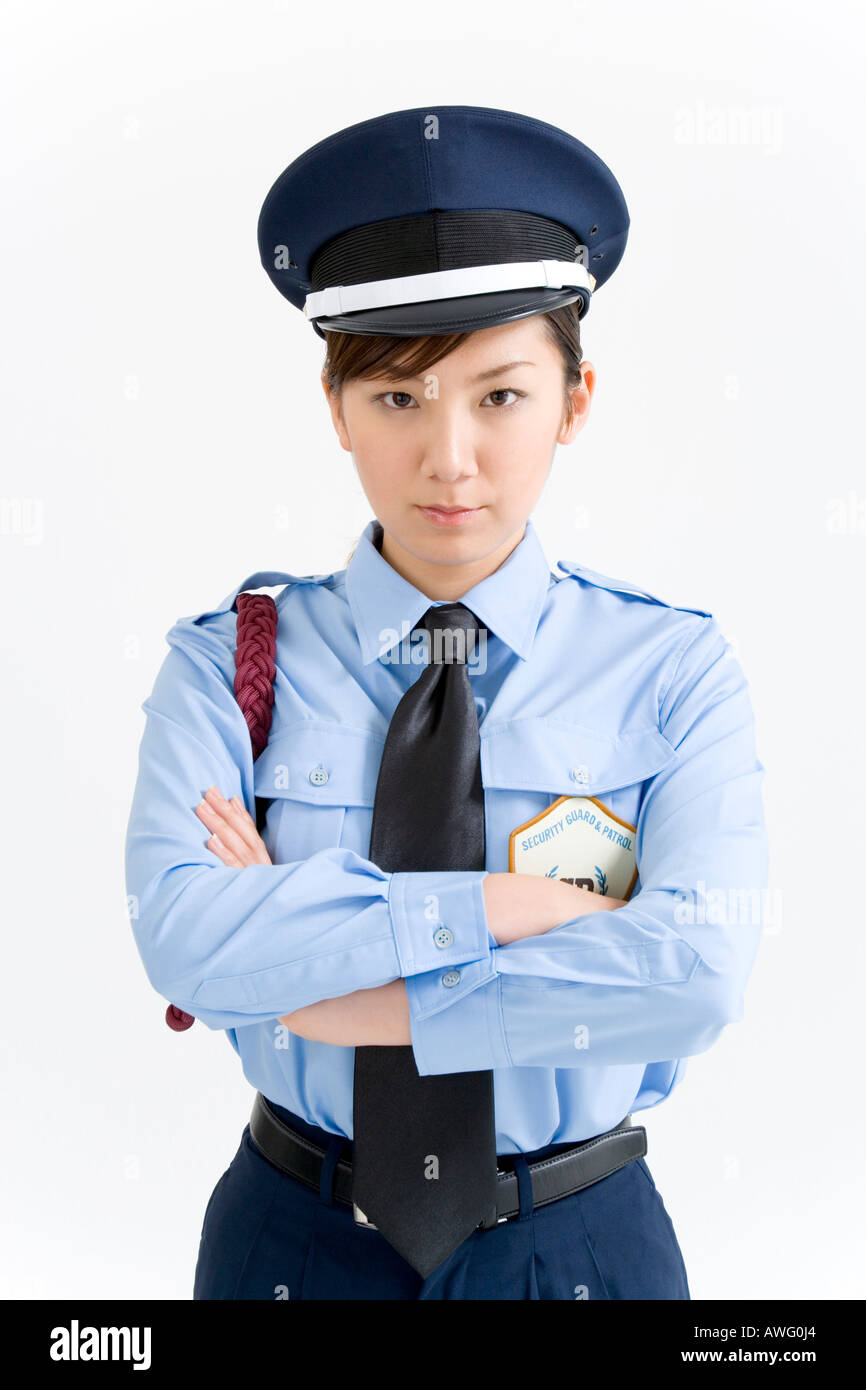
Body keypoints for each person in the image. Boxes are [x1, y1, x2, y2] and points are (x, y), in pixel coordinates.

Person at [124, 105, 768, 1300]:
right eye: (397, 398)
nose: (450, 457)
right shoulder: (231, 663)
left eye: (499, 395)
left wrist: (346, 994)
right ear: (335, 407)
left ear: (575, 398)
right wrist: (509, 906)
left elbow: (691, 975)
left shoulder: (671, 668)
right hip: (291, 1245)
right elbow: (188, 942)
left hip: (575, 1247)